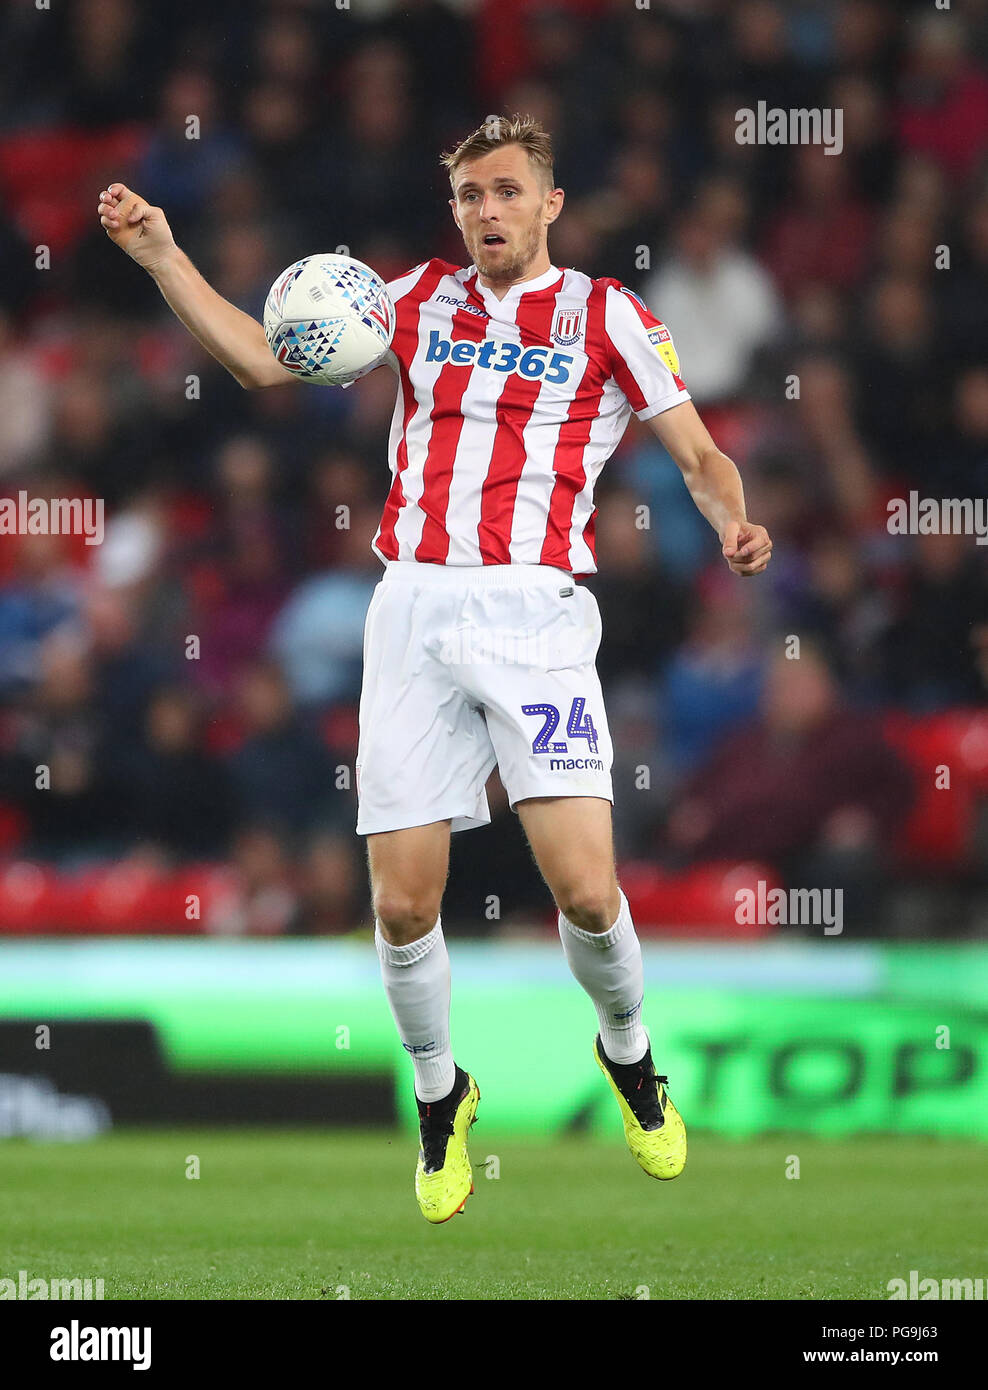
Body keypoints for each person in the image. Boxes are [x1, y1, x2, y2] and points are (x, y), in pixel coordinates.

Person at [97, 113, 773, 1224]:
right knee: (403, 905)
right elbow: (263, 361)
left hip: (537, 614)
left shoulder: (607, 313)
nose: (487, 212)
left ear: (550, 203)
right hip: (410, 607)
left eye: (506, 191)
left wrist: (735, 522)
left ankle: (630, 1055)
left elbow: (699, 452)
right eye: (469, 197)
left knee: (586, 889)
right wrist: (166, 255)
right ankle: (439, 1092)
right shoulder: (407, 301)